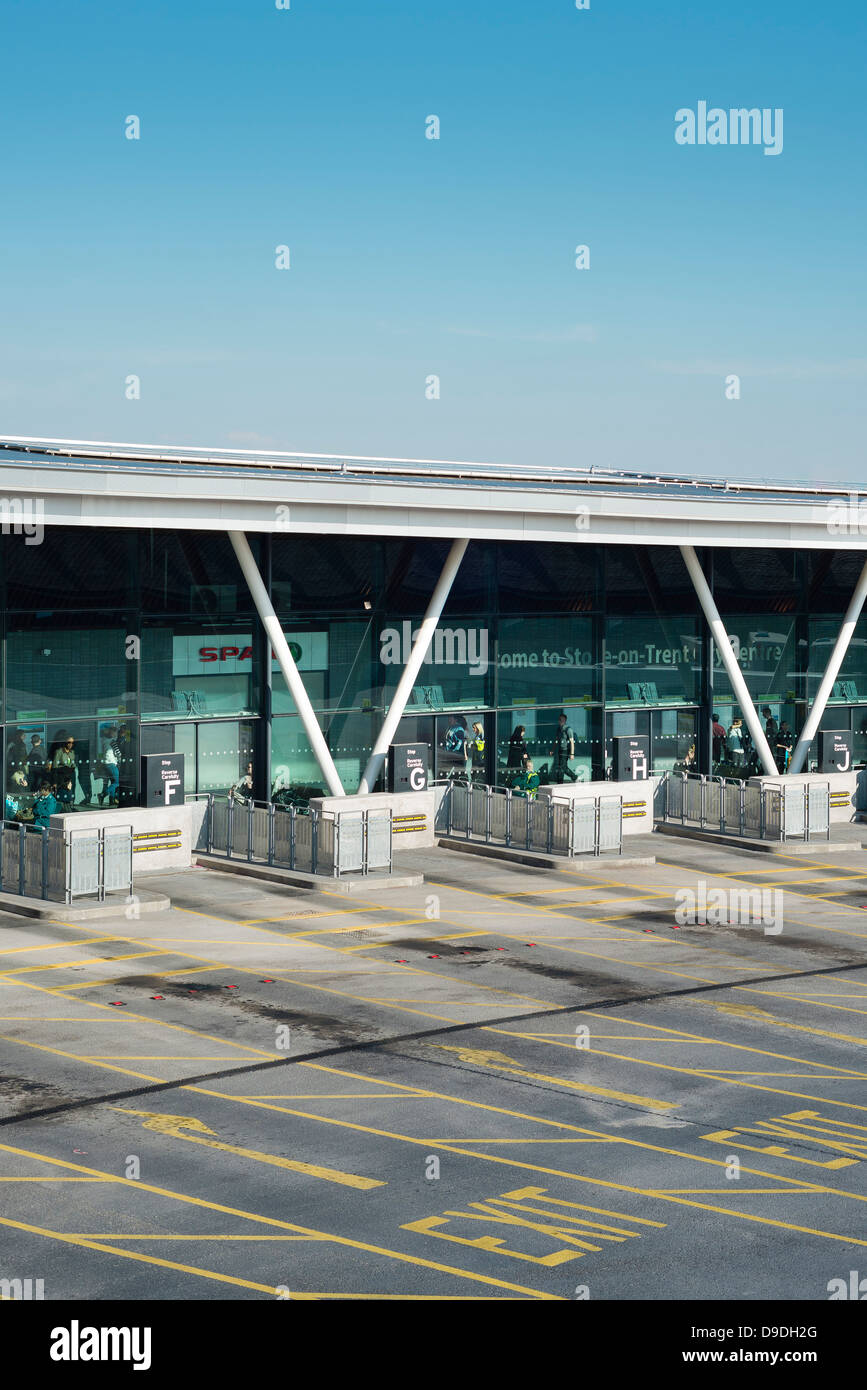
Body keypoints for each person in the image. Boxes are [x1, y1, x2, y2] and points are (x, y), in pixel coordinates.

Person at [549, 713, 578, 784]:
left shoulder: (568, 729)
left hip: (565, 751)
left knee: (563, 767)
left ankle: (574, 777)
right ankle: (560, 782)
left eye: (561, 719)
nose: (560, 721)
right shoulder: (559, 729)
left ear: (565, 720)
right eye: (559, 720)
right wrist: (552, 749)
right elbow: (556, 740)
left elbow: (572, 742)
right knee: (560, 767)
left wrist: (572, 753)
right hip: (559, 750)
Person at [51, 736, 77, 809]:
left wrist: (73, 768)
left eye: (72, 743)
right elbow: (55, 766)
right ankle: (63, 807)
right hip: (61, 774)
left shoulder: (72, 752)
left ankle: (71, 805)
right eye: (69, 742)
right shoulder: (59, 751)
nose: (70, 744)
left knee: (71, 790)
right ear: (65, 742)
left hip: (70, 773)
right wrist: (55, 781)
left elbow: (73, 763)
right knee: (63, 791)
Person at [98, 726, 120, 807]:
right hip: (111, 763)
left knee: (113, 782)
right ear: (113, 733)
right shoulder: (112, 741)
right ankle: (102, 795)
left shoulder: (104, 740)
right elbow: (118, 753)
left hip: (105, 764)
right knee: (117, 782)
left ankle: (112, 800)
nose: (115, 734)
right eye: (115, 732)